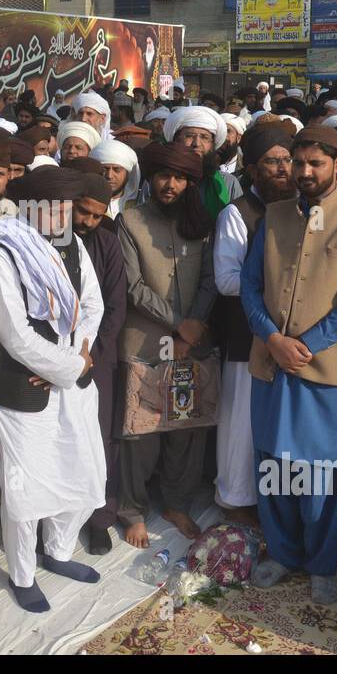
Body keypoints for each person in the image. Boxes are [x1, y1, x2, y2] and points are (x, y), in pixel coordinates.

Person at [242, 127, 337, 604]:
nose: (303, 172)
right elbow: (249, 287)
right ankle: (283, 553)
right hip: (272, 365)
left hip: (329, 372)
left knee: (325, 472)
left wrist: (302, 346)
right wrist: (272, 338)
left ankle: (323, 562)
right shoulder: (275, 215)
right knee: (274, 463)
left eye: (315, 164)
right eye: (297, 163)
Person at [0, 166, 105, 612]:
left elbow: (92, 304)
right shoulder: (4, 252)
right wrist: (66, 366)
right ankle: (22, 574)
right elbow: (13, 333)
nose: (59, 215)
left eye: (65, 207)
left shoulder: (74, 245)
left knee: (80, 472)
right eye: (50, 206)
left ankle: (59, 552)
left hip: (72, 379)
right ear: (30, 206)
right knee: (26, 490)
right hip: (25, 389)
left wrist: (75, 358)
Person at [116, 142, 218, 547]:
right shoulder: (131, 220)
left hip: (189, 346)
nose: (170, 183)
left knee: (182, 429)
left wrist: (192, 329)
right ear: (152, 178)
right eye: (163, 176)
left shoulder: (203, 223)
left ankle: (176, 503)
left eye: (179, 177)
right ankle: (132, 510)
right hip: (146, 343)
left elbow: (211, 279)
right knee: (140, 434)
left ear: (190, 182)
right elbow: (133, 286)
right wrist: (180, 326)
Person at [213, 122, 296, 525]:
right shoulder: (237, 213)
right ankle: (235, 497)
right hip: (247, 334)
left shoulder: (301, 208)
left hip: (292, 338)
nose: (282, 169)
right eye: (271, 162)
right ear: (252, 168)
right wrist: (277, 287)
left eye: (286, 160)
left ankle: (277, 501)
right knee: (241, 423)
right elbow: (227, 280)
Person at [69, 171, 128, 555]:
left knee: (99, 439)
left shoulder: (107, 243)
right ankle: (57, 519)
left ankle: (99, 518)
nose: (87, 222)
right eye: (82, 212)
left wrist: (94, 354)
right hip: (51, 358)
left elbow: (114, 303)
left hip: (98, 358)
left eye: (96, 215)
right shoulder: (49, 241)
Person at [164, 105, 241, 217]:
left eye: (204, 137)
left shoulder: (229, 183)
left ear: (213, 144)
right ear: (176, 140)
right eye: (189, 136)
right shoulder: (161, 180)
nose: (196, 143)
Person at [91, 139, 141, 219]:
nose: (109, 176)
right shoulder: (80, 200)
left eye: (117, 170)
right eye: (104, 169)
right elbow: (68, 231)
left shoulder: (140, 202)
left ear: (128, 173)